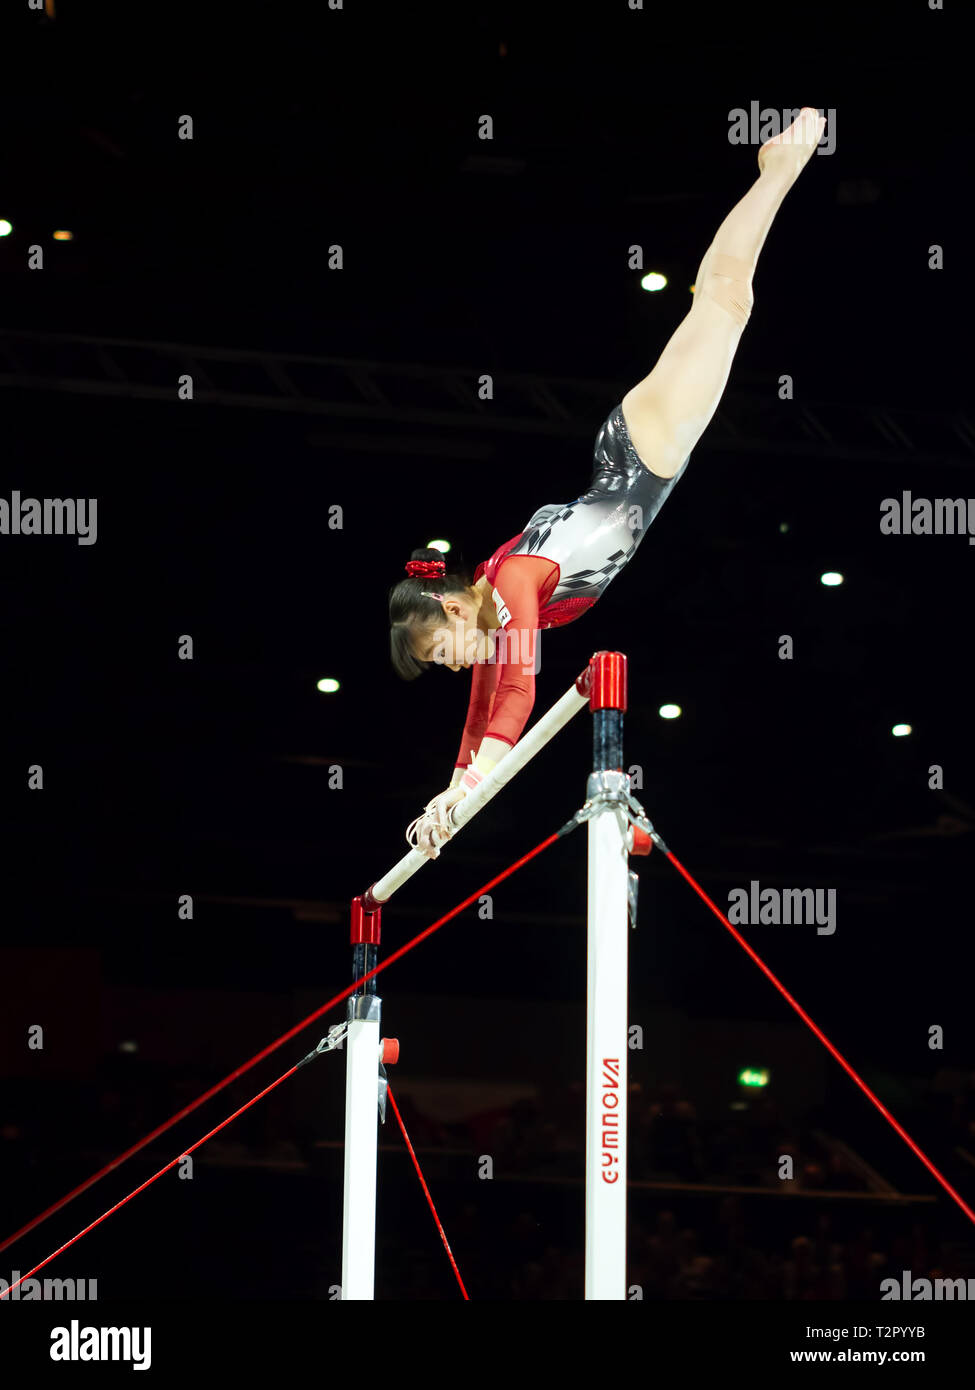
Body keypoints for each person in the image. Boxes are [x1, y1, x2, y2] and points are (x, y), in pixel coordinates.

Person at [389, 108, 826, 858]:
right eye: (437, 663)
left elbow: (518, 696)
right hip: (634, 456)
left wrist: (472, 786)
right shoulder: (492, 610)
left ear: (456, 604)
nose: (452, 662)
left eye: (442, 646)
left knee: (722, 299)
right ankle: (777, 172)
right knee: (725, 302)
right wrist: (451, 792)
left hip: (639, 457)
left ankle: (779, 168)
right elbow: (478, 718)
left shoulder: (516, 581)